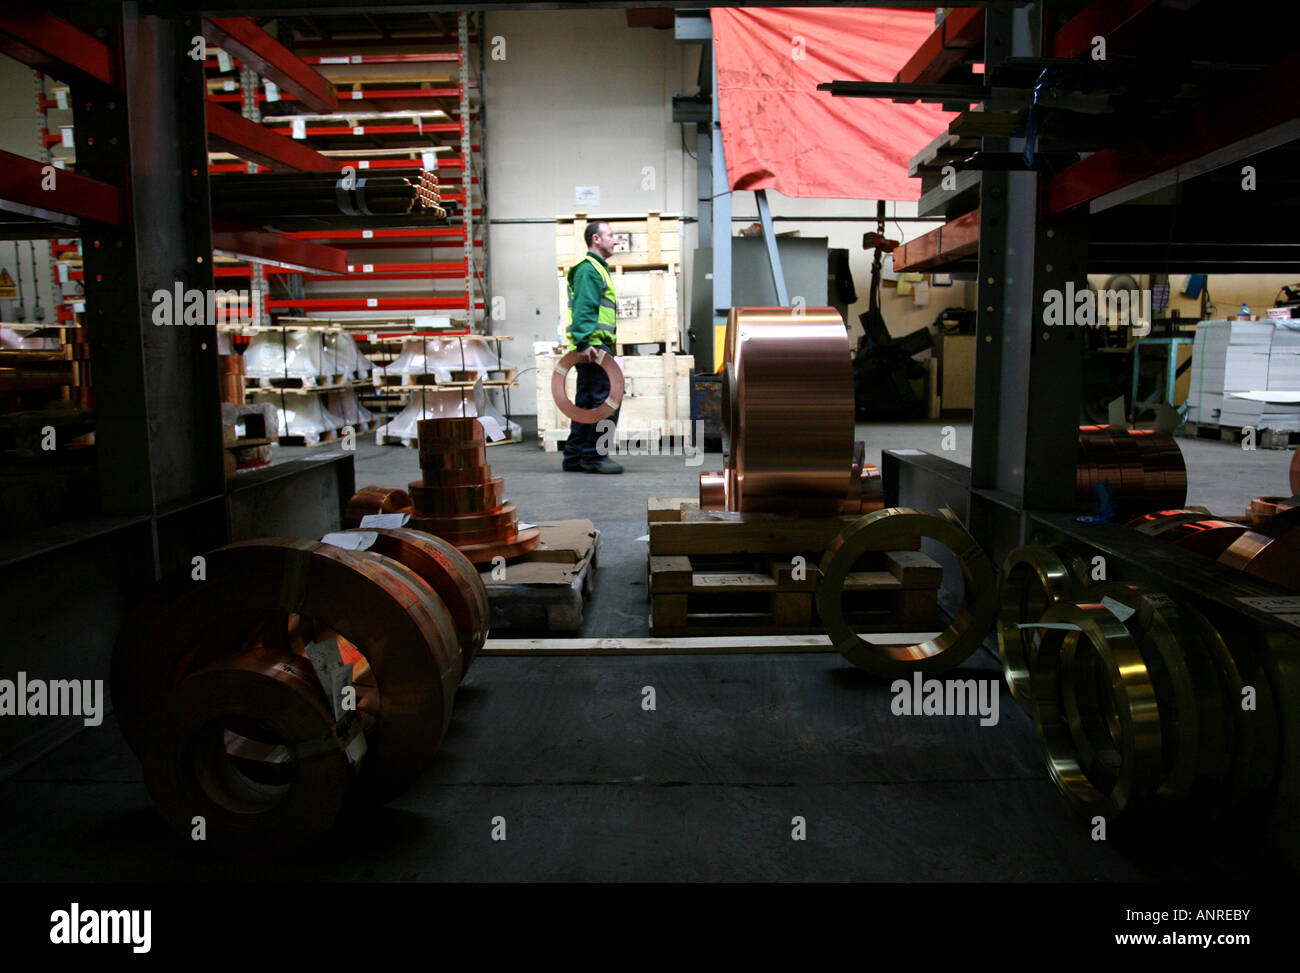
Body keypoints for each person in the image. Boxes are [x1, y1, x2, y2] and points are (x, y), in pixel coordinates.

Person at [561, 220, 624, 473]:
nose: (615, 240)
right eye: (610, 234)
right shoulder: (590, 270)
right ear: (596, 239)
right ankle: (595, 456)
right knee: (606, 402)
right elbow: (584, 308)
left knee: (587, 403)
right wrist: (585, 342)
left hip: (594, 346)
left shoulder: (595, 269)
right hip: (594, 347)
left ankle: (574, 457)